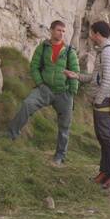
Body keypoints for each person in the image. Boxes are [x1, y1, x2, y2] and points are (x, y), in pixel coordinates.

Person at [8, 20, 79, 166]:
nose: (61, 33)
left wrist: (72, 92)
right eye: (59, 30)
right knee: (27, 104)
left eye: (63, 31)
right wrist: (40, 83)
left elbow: (75, 72)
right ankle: (11, 134)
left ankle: (60, 156)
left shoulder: (69, 51)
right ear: (51, 30)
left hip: (63, 93)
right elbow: (34, 66)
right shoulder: (43, 47)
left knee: (64, 126)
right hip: (44, 89)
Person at [65, 21, 110, 188]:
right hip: (101, 101)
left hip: (104, 101)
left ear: (97, 34)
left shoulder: (109, 53)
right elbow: (95, 77)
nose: (90, 36)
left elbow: (108, 80)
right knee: (102, 137)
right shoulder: (103, 52)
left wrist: (98, 100)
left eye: (92, 33)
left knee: (108, 138)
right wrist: (76, 76)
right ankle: (105, 171)